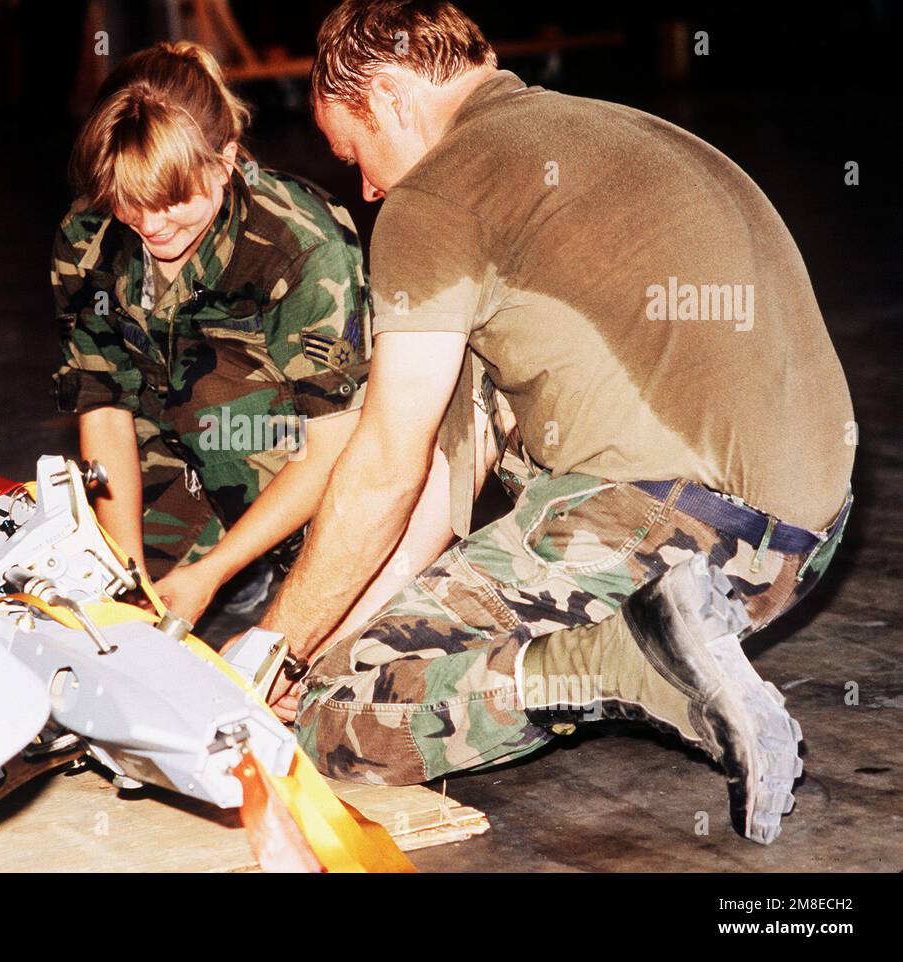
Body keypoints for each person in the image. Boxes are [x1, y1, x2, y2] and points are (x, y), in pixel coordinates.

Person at [254, 0, 854, 845]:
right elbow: (432, 485)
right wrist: (332, 639)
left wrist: (272, 658)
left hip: (664, 518)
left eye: (356, 154)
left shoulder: (438, 193)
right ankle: (665, 629)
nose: (369, 188)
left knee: (338, 719)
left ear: (388, 96)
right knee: (354, 652)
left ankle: (619, 663)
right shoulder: (620, 128)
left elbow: (388, 464)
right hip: (799, 543)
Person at [51, 41, 451, 625]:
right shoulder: (86, 233)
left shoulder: (304, 243)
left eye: (172, 199)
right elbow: (103, 407)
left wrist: (210, 572)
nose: (151, 224)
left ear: (226, 159)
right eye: (129, 200)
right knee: (97, 605)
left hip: (283, 456)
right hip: (165, 451)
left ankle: (255, 556)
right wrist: (127, 577)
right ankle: (223, 561)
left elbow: (334, 441)